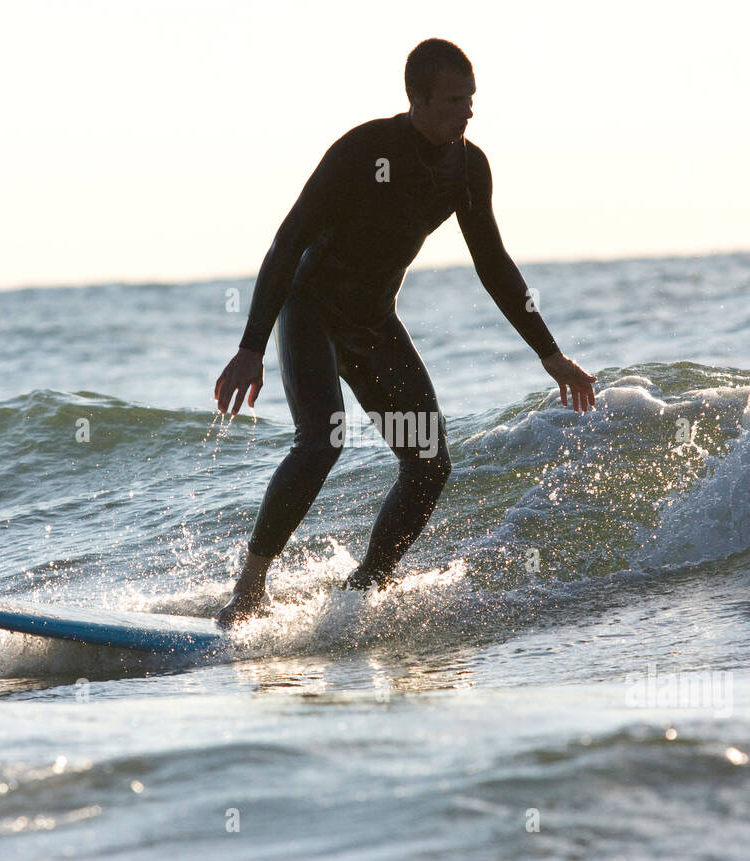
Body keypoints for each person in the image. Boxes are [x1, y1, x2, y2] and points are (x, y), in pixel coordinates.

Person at [213, 38, 596, 627]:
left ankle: (362, 591)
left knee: (427, 462)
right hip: (313, 310)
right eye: (451, 100)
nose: (465, 112)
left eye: (470, 99)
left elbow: (492, 263)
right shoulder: (365, 151)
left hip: (374, 323)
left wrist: (550, 353)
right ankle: (249, 588)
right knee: (322, 441)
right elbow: (287, 242)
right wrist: (250, 347)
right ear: (415, 99)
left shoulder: (467, 168)